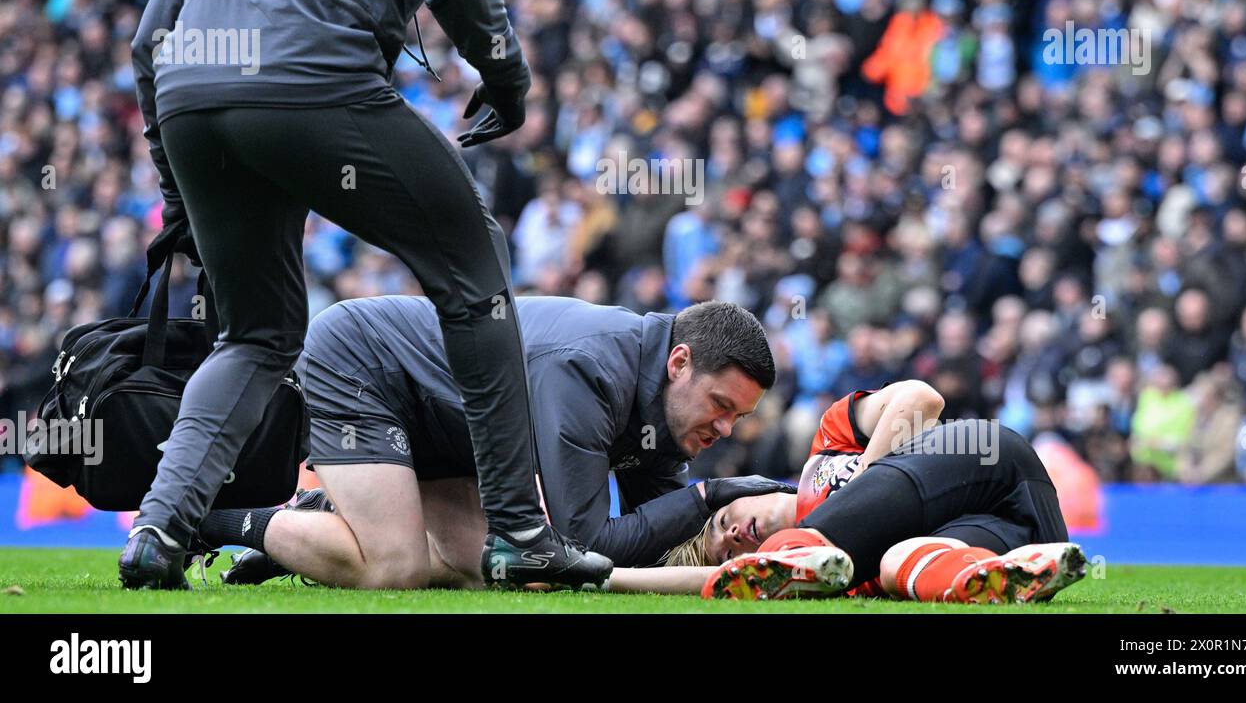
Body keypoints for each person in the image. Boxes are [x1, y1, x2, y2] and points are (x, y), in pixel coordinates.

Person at [121, 0, 601, 590]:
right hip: (313, 84)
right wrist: (507, 79)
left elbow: (146, 39)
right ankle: (521, 533)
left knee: (257, 335)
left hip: (192, 102)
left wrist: (177, 189)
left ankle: (157, 531)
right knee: (474, 270)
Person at [197, 296, 797, 587]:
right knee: (395, 566)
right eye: (721, 407)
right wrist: (708, 496)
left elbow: (632, 547)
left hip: (448, 425)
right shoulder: (590, 370)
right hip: (367, 364)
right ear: (680, 361)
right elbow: (584, 541)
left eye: (737, 420)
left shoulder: (665, 400)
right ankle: (220, 520)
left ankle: (319, 516)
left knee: (491, 571)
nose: (723, 431)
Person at [669, 389, 1084, 603]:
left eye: (723, 523)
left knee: (831, 548)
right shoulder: (836, 577)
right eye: (728, 556)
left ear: (746, 492)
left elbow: (921, 399)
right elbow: (717, 584)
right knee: (894, 566)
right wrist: (610, 577)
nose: (735, 537)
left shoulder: (829, 439)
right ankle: (1001, 574)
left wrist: (869, 476)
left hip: (986, 457)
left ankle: (797, 549)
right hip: (1028, 531)